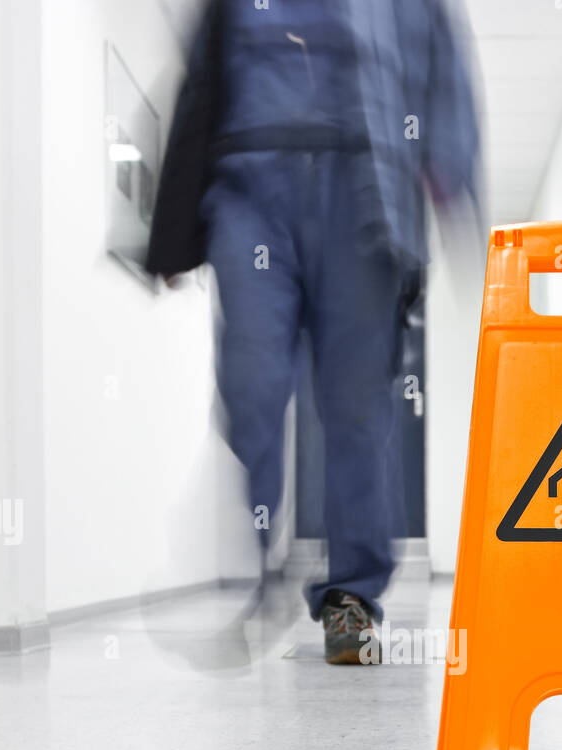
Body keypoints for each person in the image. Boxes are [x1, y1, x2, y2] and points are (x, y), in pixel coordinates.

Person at [147, 0, 479, 664]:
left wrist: (451, 173)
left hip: (362, 183)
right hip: (250, 184)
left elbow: (444, 65)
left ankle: (351, 597)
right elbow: (201, 72)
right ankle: (261, 552)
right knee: (252, 376)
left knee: (356, 407)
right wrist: (171, 227)